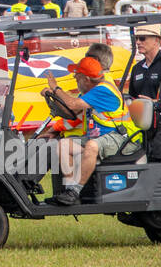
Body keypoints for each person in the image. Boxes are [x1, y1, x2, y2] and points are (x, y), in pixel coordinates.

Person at [40, 56, 139, 205]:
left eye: (77, 76)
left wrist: (55, 87)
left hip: (122, 138)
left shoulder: (103, 90)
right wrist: (52, 97)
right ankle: (69, 192)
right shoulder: (90, 91)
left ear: (86, 78)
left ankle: (75, 190)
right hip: (103, 137)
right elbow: (71, 112)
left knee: (92, 145)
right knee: (64, 145)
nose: (74, 78)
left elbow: (72, 104)